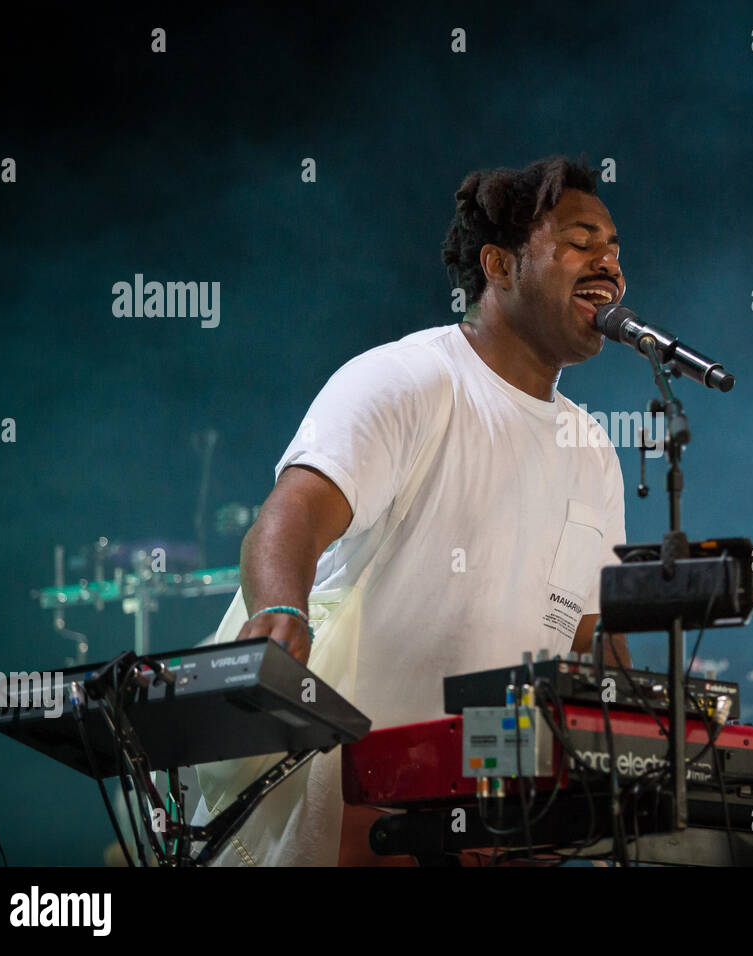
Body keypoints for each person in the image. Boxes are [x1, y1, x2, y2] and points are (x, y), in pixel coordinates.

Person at [222, 155, 629, 865]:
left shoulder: (591, 446)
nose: (610, 264)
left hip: (496, 817)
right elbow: (292, 513)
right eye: (581, 240)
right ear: (500, 266)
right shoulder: (408, 379)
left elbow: (591, 648)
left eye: (615, 250)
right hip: (354, 818)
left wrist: (649, 734)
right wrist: (279, 610)